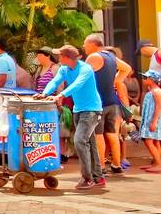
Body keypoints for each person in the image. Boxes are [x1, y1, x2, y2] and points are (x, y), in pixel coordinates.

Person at [42, 44, 105, 190]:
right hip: (79, 110)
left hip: (91, 111)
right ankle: (98, 177)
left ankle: (87, 178)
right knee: (89, 144)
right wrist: (45, 93)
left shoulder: (85, 69)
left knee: (79, 141)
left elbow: (77, 84)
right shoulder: (64, 69)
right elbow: (55, 81)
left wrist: (61, 95)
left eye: (60, 55)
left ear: (66, 57)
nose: (57, 58)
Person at [84, 33, 126, 176]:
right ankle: (116, 164)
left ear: (92, 44)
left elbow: (82, 77)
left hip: (98, 103)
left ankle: (101, 165)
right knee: (112, 134)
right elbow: (127, 68)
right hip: (113, 101)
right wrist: (117, 81)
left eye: (85, 44)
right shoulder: (110, 56)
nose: (83, 47)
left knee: (98, 135)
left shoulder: (94, 57)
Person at [137, 70, 161, 173]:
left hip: (153, 119)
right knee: (155, 141)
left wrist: (154, 121)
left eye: (146, 78)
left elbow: (158, 107)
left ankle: (159, 164)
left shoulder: (157, 91)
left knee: (149, 141)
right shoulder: (151, 91)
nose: (143, 80)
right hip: (150, 119)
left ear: (152, 80)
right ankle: (156, 162)